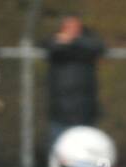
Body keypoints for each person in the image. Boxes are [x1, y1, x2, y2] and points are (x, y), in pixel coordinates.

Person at [42, 15, 105, 149]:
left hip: (85, 107)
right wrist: (67, 42)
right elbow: (51, 46)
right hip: (60, 106)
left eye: (76, 28)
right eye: (68, 28)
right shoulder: (55, 44)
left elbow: (98, 47)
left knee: (87, 145)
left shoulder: (87, 44)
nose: (72, 31)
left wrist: (73, 40)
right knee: (59, 145)